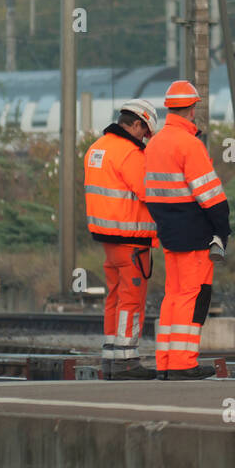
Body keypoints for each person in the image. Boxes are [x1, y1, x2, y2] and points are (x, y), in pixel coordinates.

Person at [142, 80, 231, 380]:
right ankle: (183, 363)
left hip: (168, 232)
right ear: (192, 109)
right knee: (193, 296)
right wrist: (223, 229)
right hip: (194, 232)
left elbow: (150, 194)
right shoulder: (189, 145)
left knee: (173, 295)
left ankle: (166, 362)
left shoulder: (154, 143)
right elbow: (211, 196)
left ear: (169, 108)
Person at [84, 98, 160, 380]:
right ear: (137, 124)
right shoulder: (130, 154)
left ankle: (111, 357)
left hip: (108, 240)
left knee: (114, 298)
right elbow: (149, 192)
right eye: (145, 132)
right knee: (131, 300)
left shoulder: (96, 149)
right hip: (131, 239)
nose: (145, 138)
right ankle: (127, 360)